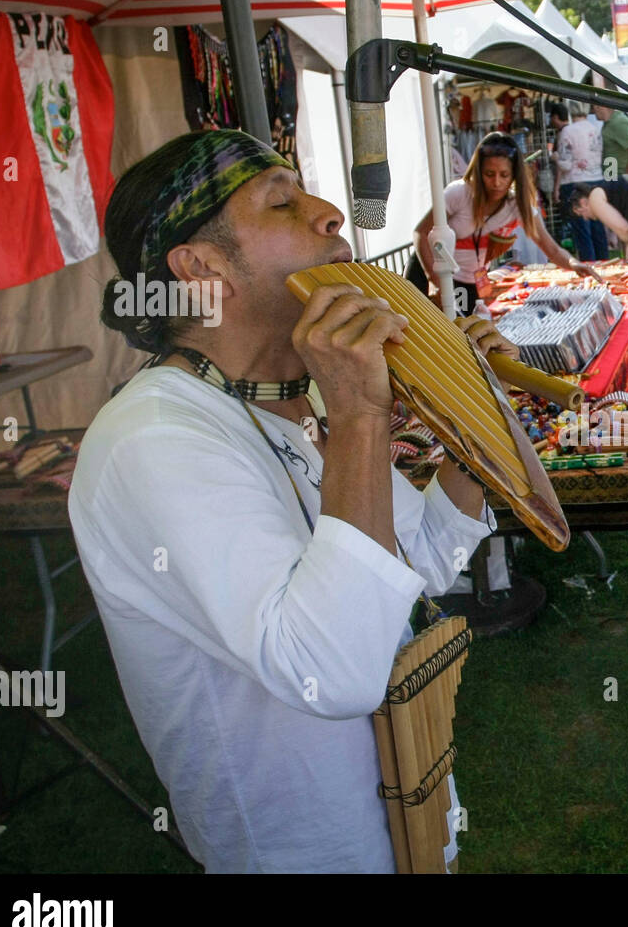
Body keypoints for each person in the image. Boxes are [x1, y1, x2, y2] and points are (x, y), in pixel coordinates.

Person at [69, 129, 505, 872]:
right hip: (301, 849)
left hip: (408, 811)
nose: (331, 212)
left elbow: (422, 560)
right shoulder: (153, 438)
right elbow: (329, 669)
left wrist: (475, 410)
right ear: (202, 268)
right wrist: (362, 417)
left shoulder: (291, 398)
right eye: (284, 203)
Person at [408, 132, 598, 314]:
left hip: (468, 282)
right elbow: (420, 233)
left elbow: (552, 249)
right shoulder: (458, 193)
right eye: (489, 174)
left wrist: (573, 263)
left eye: (504, 175)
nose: (497, 182)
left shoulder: (517, 205)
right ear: (478, 171)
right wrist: (435, 281)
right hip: (430, 276)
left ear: (514, 175)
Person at [550, 102, 607, 260]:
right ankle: (605, 262)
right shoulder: (595, 129)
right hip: (596, 179)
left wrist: (555, 158)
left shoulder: (567, 131)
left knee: (581, 230)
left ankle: (588, 264)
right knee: (597, 226)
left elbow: (566, 164)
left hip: (575, 182)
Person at [564, 180, 628, 256]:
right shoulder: (602, 192)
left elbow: (626, 231)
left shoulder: (594, 199)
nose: (585, 218)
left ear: (583, 202)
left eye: (581, 213)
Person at [593, 102, 628, 177]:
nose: (593, 110)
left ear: (600, 106)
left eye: (594, 106)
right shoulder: (609, 122)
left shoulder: (618, 122)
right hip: (610, 176)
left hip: (618, 177)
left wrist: (627, 175)